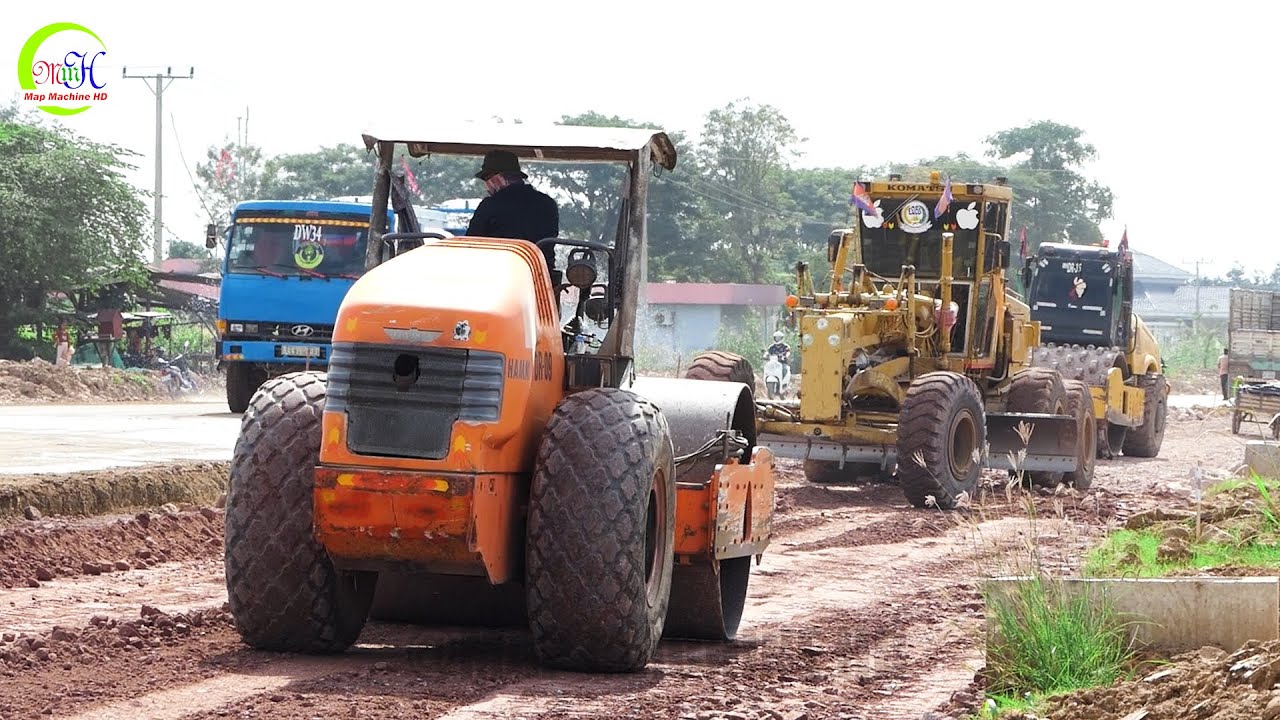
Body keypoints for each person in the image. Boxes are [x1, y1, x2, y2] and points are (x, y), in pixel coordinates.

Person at [465, 150, 560, 275]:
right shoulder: (548, 203)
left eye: (487, 178)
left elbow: (470, 243)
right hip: (542, 273)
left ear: (498, 178)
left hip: (497, 274)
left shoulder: (490, 205)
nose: (487, 185)